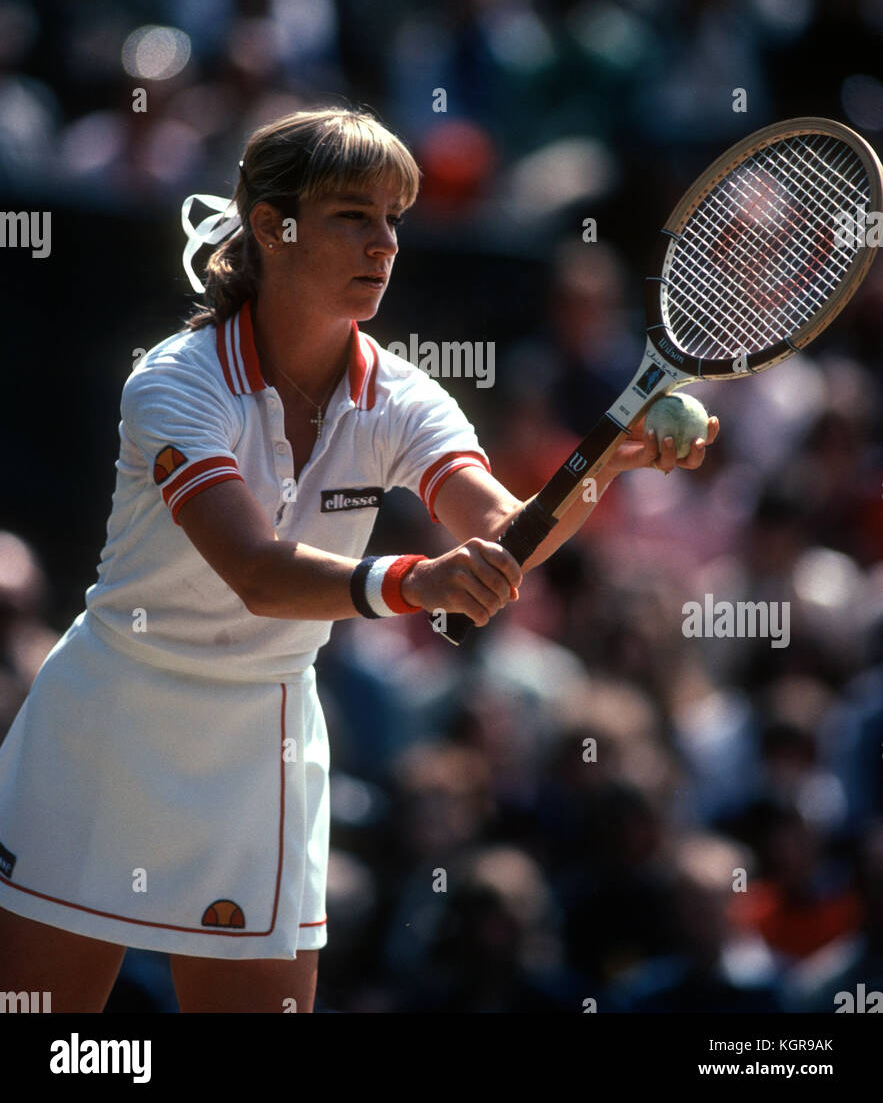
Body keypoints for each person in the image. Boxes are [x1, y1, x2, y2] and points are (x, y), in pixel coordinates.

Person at [0, 106, 718, 1013]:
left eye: (394, 220)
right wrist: (413, 582)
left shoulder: (406, 397)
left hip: (265, 746)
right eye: (352, 215)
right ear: (271, 226)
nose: (383, 242)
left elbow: (503, 532)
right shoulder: (174, 383)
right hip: (104, 730)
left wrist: (603, 464)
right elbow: (256, 573)